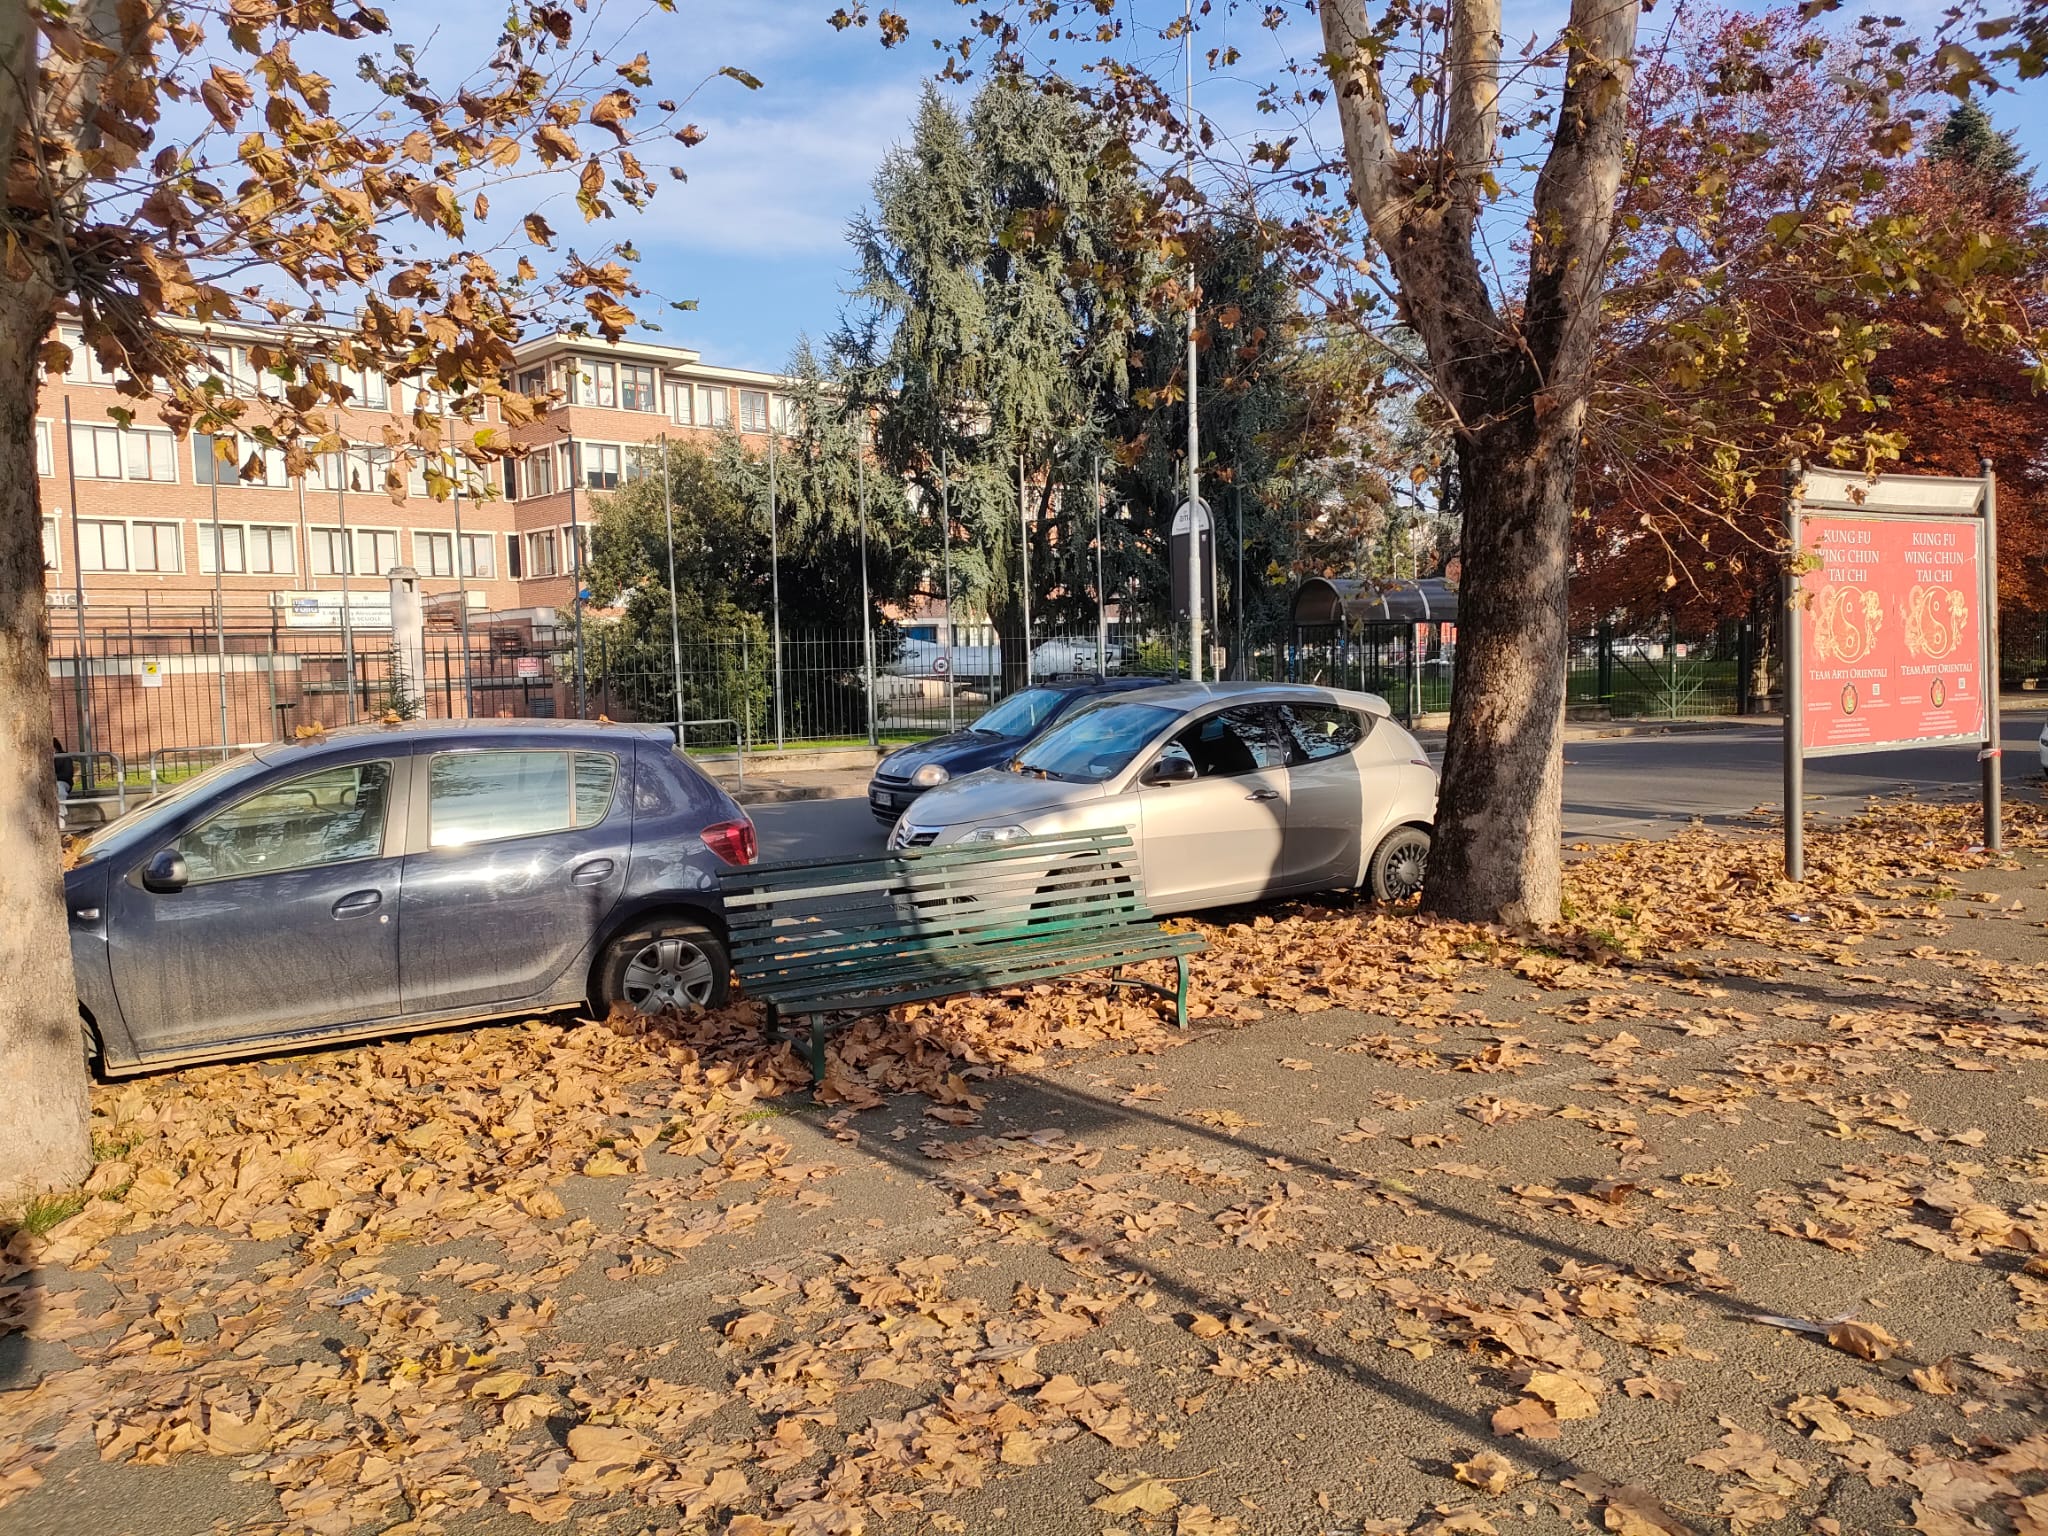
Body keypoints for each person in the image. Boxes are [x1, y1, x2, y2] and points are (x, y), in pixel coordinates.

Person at [54, 737, 75, 828]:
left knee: (59, 787)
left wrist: (53, 778)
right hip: (52, 782)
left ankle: (60, 815)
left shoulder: (64, 756)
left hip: (63, 781)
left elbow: (67, 774)